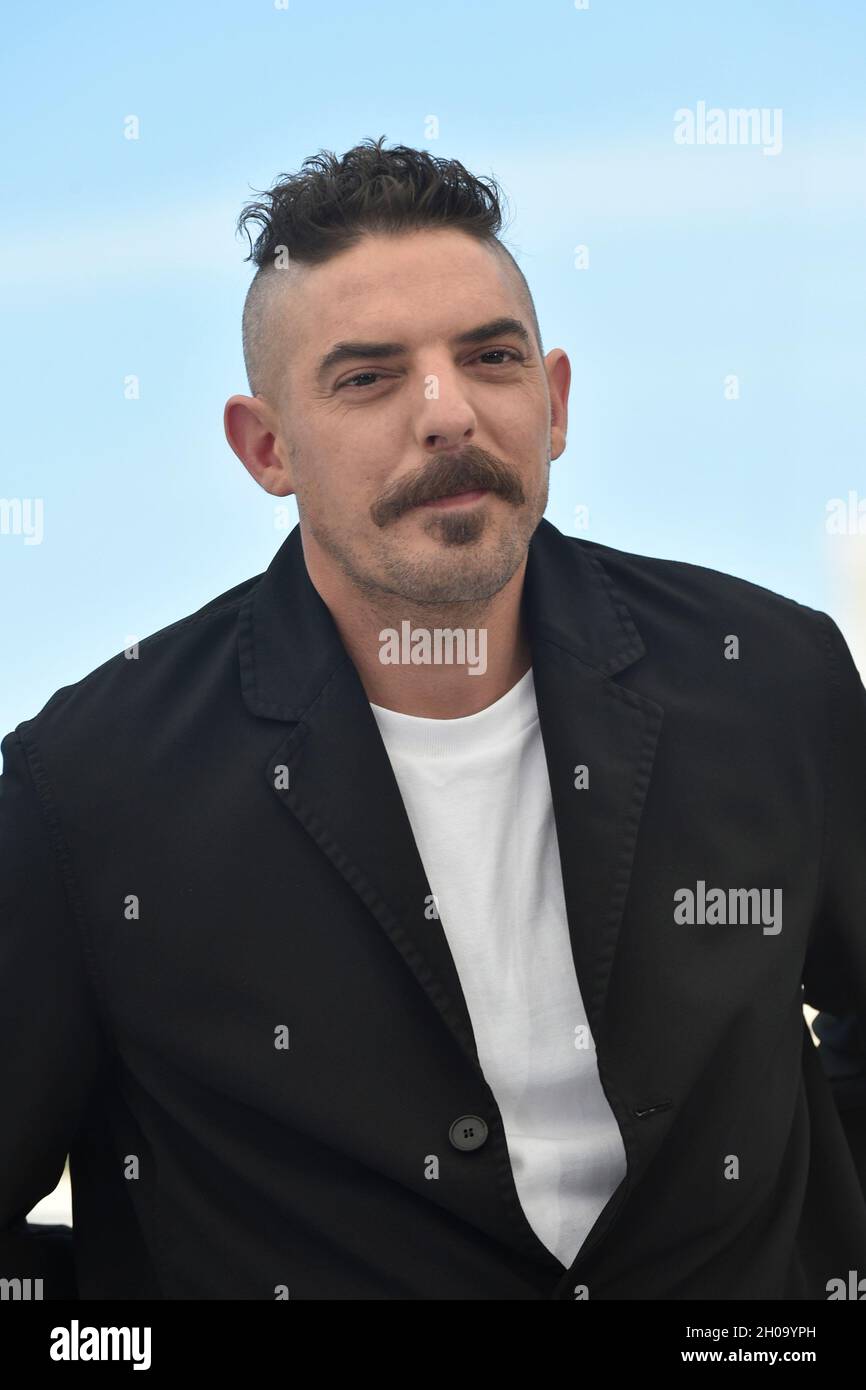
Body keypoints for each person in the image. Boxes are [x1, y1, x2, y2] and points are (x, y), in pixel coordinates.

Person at [1, 137, 864, 1301]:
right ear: (266, 448)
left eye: (489, 356)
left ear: (551, 403)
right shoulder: (83, 787)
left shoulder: (768, 675)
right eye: (365, 377)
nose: (446, 411)